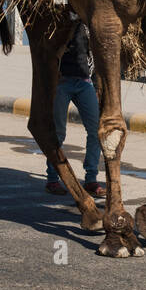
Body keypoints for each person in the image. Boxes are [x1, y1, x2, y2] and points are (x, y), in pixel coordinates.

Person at [45, 18, 106, 198]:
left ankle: (91, 179)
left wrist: (95, 85)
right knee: (58, 133)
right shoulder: (60, 17)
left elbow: (95, 53)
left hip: (84, 82)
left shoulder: (88, 19)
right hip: (61, 82)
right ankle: (52, 178)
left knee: (96, 131)